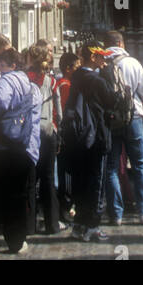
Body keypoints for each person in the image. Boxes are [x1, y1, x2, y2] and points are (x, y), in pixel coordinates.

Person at [0, 47, 40, 255]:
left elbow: (0, 101)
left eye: (3, 65)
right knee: (17, 196)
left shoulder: (7, 81)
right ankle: (16, 241)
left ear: (13, 66)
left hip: (1, 146)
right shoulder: (32, 86)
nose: (0, 69)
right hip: (22, 148)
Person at [61, 44, 115, 242]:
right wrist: (108, 74)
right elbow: (112, 100)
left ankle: (79, 224)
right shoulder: (96, 79)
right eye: (102, 57)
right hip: (96, 136)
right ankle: (92, 226)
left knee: (80, 181)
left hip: (78, 137)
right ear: (93, 57)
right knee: (95, 182)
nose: (104, 61)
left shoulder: (76, 76)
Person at [100, 31, 143, 225]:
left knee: (111, 167)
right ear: (121, 43)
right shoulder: (133, 63)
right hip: (133, 118)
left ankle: (116, 214)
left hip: (111, 120)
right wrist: (141, 107)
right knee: (140, 164)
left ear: (105, 45)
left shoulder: (101, 64)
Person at [26, 42, 64, 236]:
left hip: (30, 133)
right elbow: (58, 107)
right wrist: (58, 131)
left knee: (31, 181)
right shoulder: (51, 80)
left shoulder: (25, 79)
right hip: (48, 131)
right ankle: (52, 224)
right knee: (48, 179)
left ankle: (29, 226)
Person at [56, 51, 79, 222]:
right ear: (69, 69)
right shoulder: (65, 85)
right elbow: (65, 111)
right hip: (66, 134)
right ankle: (66, 205)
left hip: (67, 133)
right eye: (77, 66)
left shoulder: (67, 83)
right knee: (67, 171)